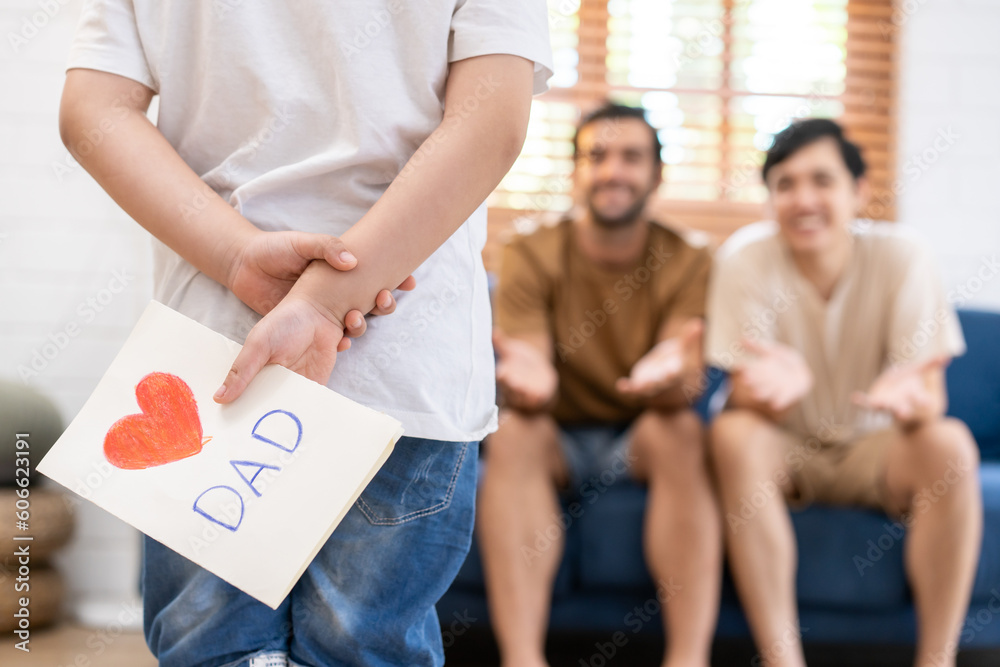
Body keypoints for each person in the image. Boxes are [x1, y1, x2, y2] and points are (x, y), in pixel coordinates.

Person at [58, 1, 553, 665]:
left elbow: (93, 111)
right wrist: (329, 300)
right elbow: (491, 120)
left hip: (213, 350)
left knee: (212, 649)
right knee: (366, 650)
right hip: (399, 353)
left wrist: (239, 257)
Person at [705, 118, 982, 667]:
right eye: (785, 185)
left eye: (821, 181)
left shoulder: (903, 255)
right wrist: (770, 393)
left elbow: (929, 392)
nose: (803, 199)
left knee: (949, 444)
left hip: (875, 448)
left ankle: (937, 659)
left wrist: (915, 400)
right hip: (786, 447)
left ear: (858, 190)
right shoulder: (745, 258)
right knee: (733, 433)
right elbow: (742, 390)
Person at [479, 103, 722, 667]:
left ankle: (689, 658)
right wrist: (528, 379)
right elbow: (531, 366)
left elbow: (674, 369)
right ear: (576, 172)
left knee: (682, 430)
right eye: (597, 156)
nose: (613, 170)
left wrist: (667, 375)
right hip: (553, 430)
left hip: (641, 432)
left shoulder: (691, 258)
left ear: (657, 174)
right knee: (512, 433)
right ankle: (522, 659)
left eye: (631, 157)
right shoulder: (529, 250)